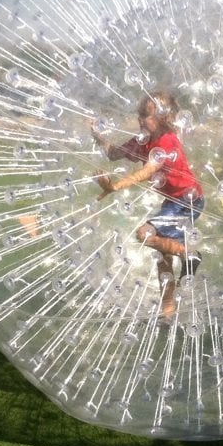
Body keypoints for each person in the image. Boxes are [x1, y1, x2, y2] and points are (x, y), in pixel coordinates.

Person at [92, 91, 204, 319]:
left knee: (144, 233)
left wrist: (115, 186)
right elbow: (114, 154)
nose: (142, 120)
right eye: (140, 115)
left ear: (164, 117)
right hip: (174, 201)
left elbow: (149, 170)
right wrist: (94, 133)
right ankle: (168, 313)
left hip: (187, 200)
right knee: (163, 259)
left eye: (147, 115)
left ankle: (189, 253)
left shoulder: (167, 140)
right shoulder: (143, 142)